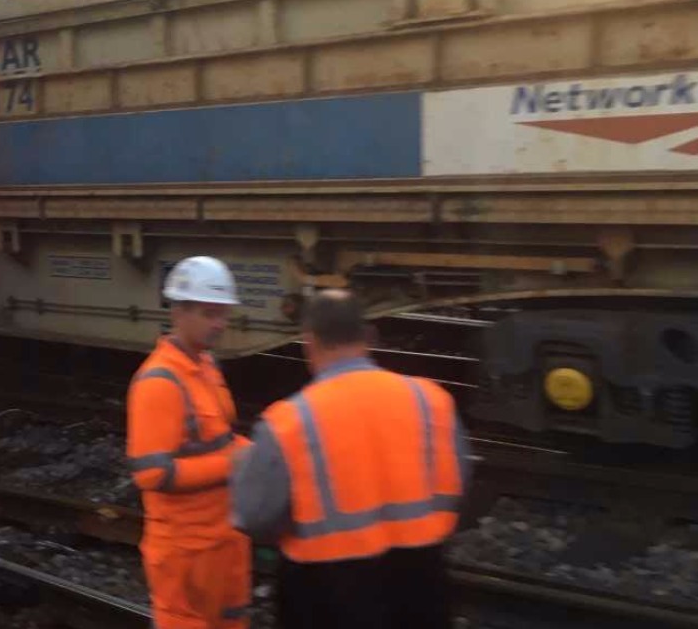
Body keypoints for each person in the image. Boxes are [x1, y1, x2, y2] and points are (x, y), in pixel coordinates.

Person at [231, 289, 472, 629]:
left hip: (325, 596)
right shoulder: (431, 400)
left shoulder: (288, 421)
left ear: (308, 341)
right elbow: (458, 483)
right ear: (368, 337)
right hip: (423, 582)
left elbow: (253, 517)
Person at [127, 256, 252, 629]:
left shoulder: (207, 367)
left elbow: (220, 439)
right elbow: (151, 473)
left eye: (224, 315)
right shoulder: (159, 382)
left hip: (225, 540)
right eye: (210, 313)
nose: (220, 324)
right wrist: (233, 463)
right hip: (185, 551)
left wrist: (256, 450)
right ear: (179, 312)